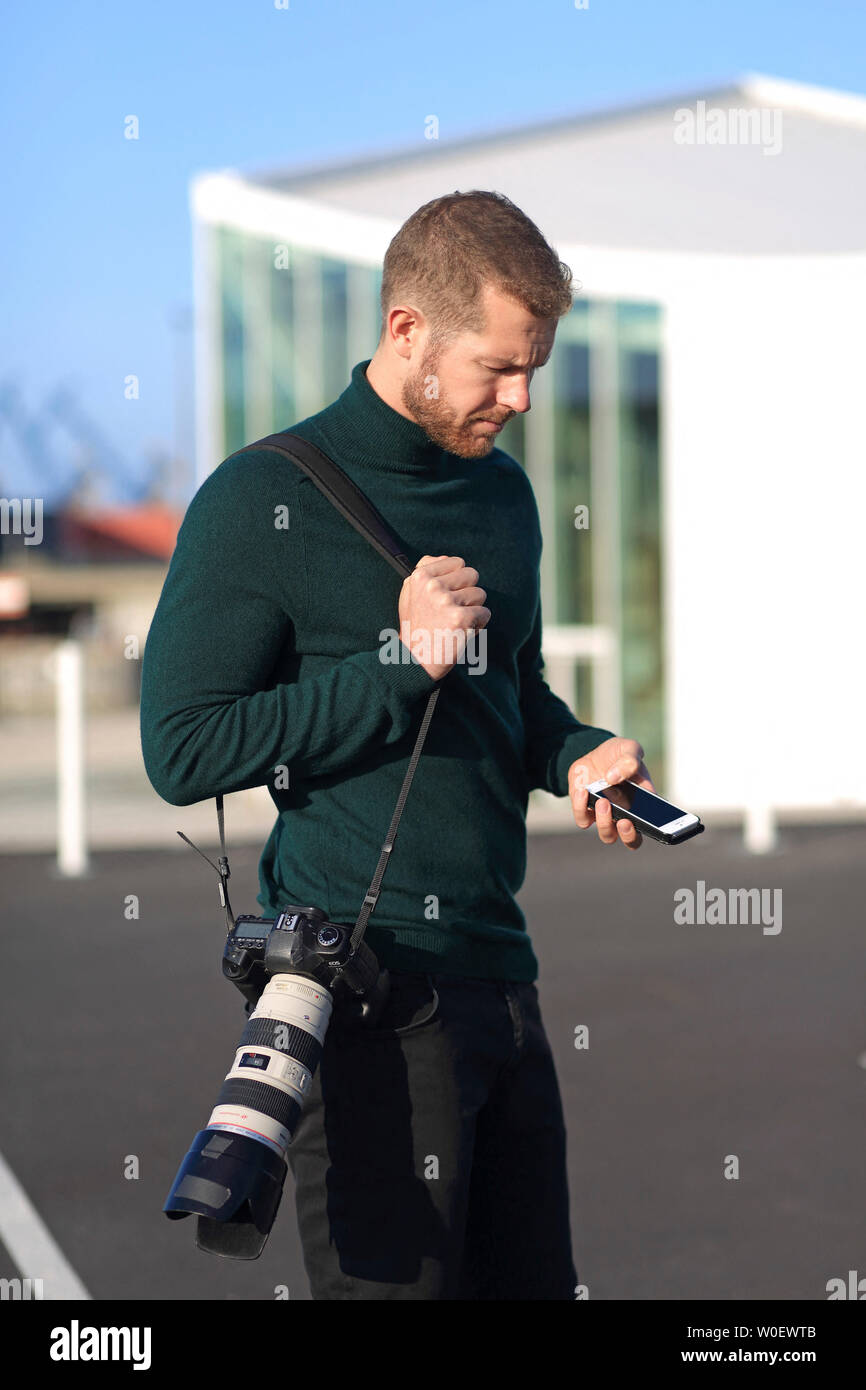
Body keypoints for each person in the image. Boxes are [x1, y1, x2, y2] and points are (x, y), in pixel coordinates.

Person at [140, 189, 656, 1299]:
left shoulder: (502, 497)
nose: (519, 398)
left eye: (534, 368)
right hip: (367, 997)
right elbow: (182, 749)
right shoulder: (259, 498)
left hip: (501, 980)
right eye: (496, 368)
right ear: (408, 331)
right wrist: (395, 660)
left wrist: (572, 753)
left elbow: (507, 692)